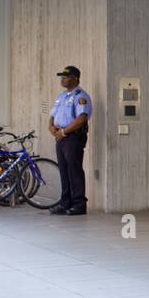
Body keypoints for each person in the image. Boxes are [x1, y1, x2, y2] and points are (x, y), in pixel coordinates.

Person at [48, 65, 91, 215]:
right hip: (60, 137)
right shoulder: (61, 97)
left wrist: (64, 132)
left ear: (75, 78)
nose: (62, 79)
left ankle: (79, 203)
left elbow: (81, 119)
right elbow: (53, 115)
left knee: (74, 169)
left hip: (73, 137)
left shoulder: (81, 97)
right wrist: (52, 128)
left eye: (66, 76)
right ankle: (65, 202)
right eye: (62, 76)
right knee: (64, 170)